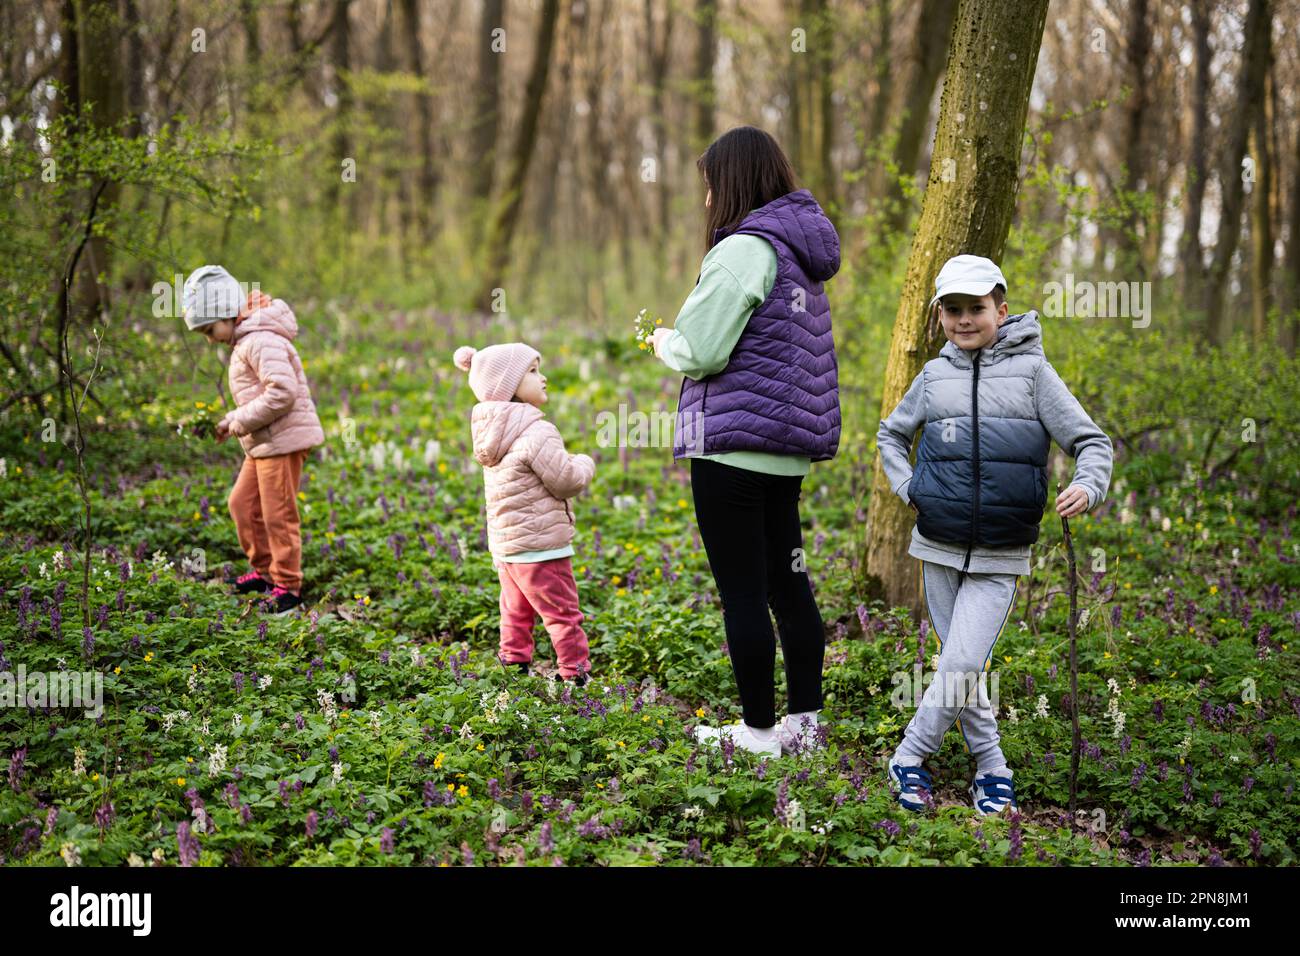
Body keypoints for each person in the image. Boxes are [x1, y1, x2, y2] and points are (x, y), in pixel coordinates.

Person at [876, 253, 1113, 814]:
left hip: (1001, 553)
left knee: (958, 665)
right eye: (952, 309)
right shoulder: (934, 377)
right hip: (937, 545)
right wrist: (912, 490)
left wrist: (1089, 485)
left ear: (1001, 311)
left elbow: (1091, 442)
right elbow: (891, 435)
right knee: (964, 665)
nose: (964, 319)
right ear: (939, 317)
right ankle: (993, 768)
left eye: (976, 308)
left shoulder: (1033, 375)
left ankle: (910, 755)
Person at [649, 126, 840, 758]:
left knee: (743, 594)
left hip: (730, 452)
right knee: (789, 583)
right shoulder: (801, 255)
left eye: (709, 187)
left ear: (729, 184)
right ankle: (805, 724)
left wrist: (661, 343)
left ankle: (758, 732)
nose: (707, 202)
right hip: (784, 455)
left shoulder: (744, 250)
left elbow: (701, 350)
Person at [182, 265, 324, 615]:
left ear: (228, 313)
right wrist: (231, 421)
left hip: (282, 442)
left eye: (209, 329)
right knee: (242, 505)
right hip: (263, 440)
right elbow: (258, 398)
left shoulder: (260, 339)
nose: (209, 338)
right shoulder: (247, 339)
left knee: (278, 514)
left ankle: (288, 587)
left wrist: (239, 421)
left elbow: (283, 393)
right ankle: (265, 573)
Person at [454, 343, 596, 683]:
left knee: (515, 611)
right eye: (532, 371)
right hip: (542, 548)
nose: (543, 377)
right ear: (509, 386)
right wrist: (584, 463)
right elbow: (566, 481)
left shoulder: (491, 433)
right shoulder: (536, 431)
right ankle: (574, 676)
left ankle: (514, 664)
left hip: (507, 548)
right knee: (562, 613)